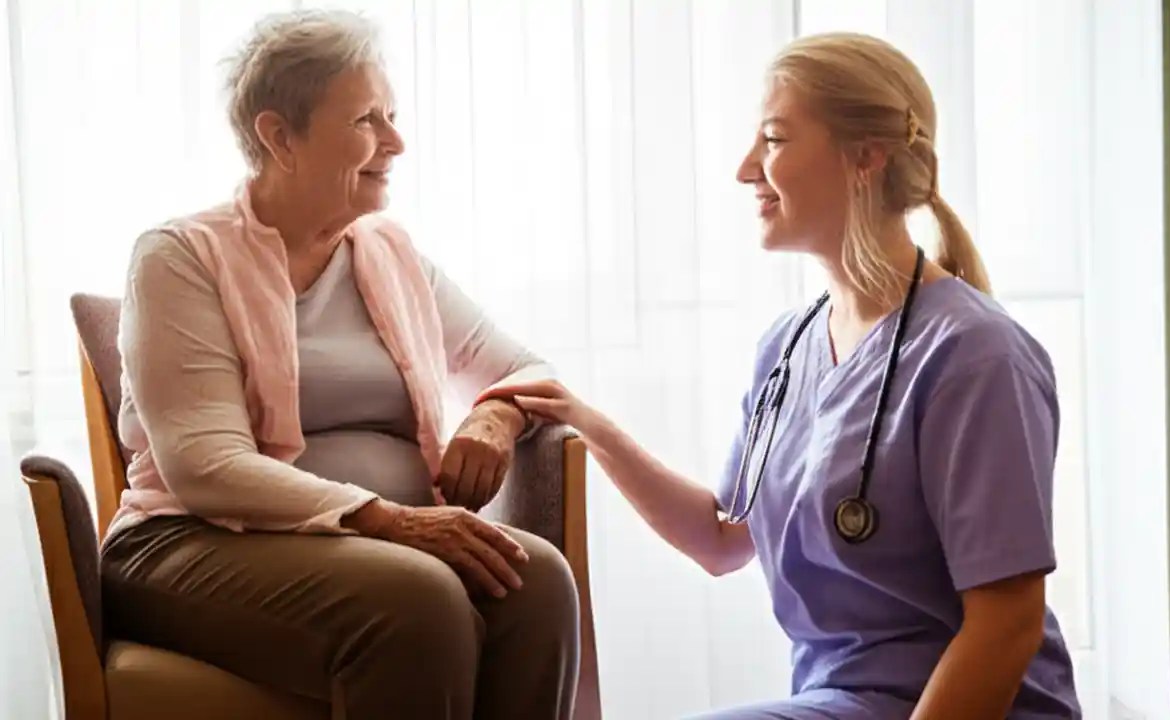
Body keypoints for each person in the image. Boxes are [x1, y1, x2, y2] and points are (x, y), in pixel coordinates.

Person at [482, 32, 1081, 719]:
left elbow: (1006, 625)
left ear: (865, 157)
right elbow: (721, 537)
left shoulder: (976, 356)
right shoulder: (788, 348)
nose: (745, 169)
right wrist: (584, 419)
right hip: (839, 702)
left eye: (773, 139)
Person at [100, 10, 578, 720]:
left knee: (536, 581)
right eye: (367, 120)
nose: (396, 141)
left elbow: (530, 370)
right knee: (418, 601)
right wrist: (390, 522)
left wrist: (495, 414)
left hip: (373, 548)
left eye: (392, 116)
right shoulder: (179, 258)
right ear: (278, 136)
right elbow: (206, 466)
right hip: (191, 540)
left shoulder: (388, 253)